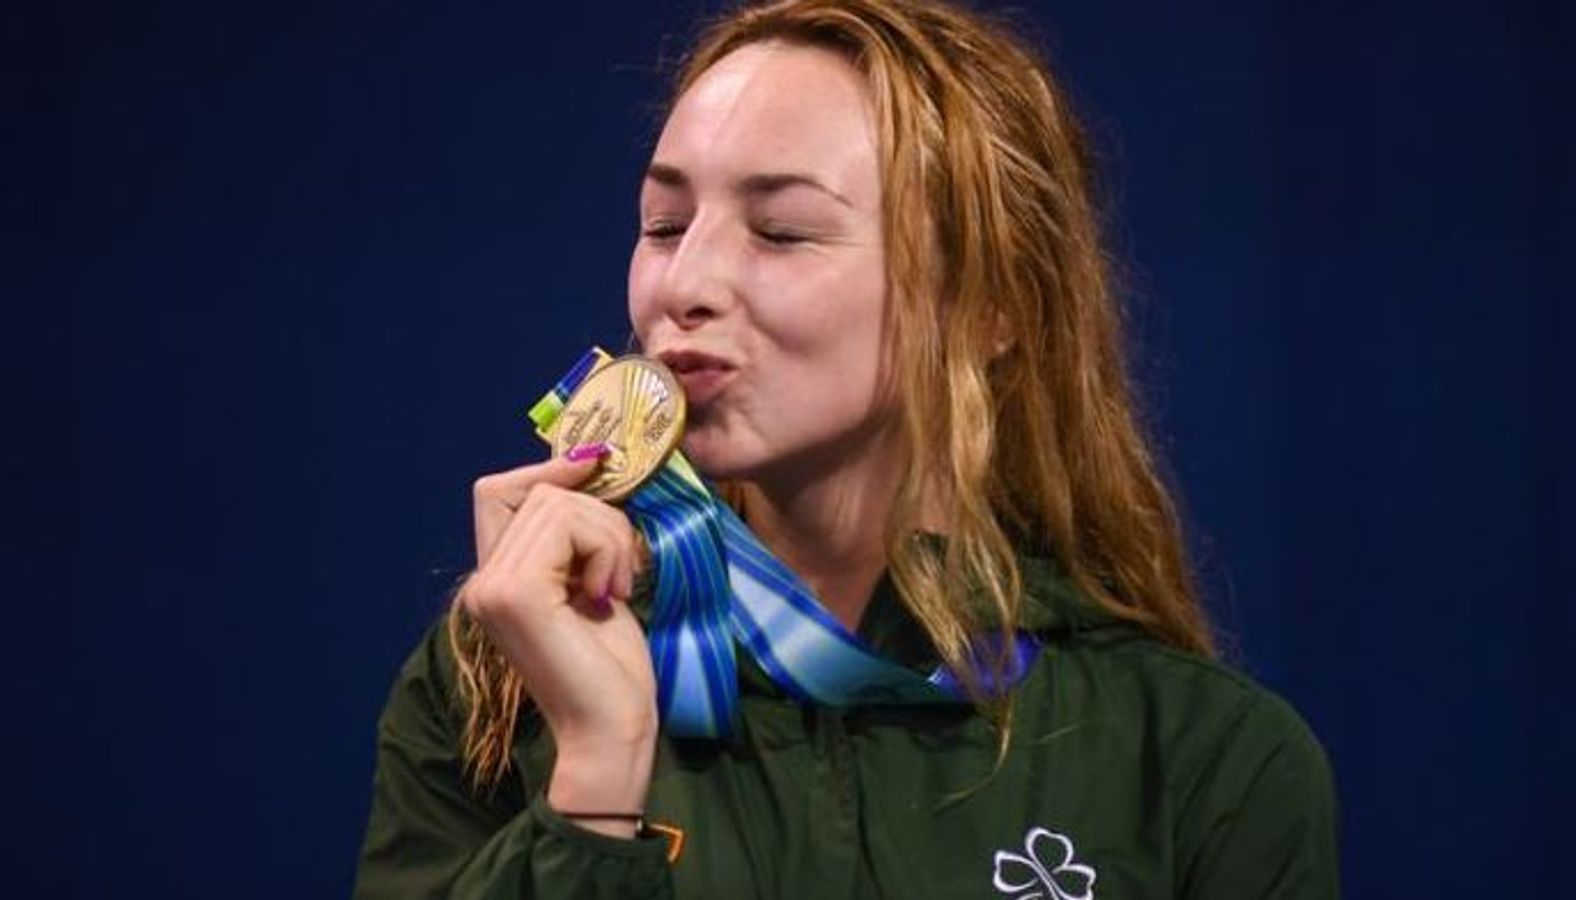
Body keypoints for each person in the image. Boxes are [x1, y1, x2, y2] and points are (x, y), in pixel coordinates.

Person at [353, 0, 1339, 897]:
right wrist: (596, 785)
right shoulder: (500, 681)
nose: (683, 285)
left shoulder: (1202, 761)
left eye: (781, 231)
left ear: (989, 304)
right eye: (664, 224)